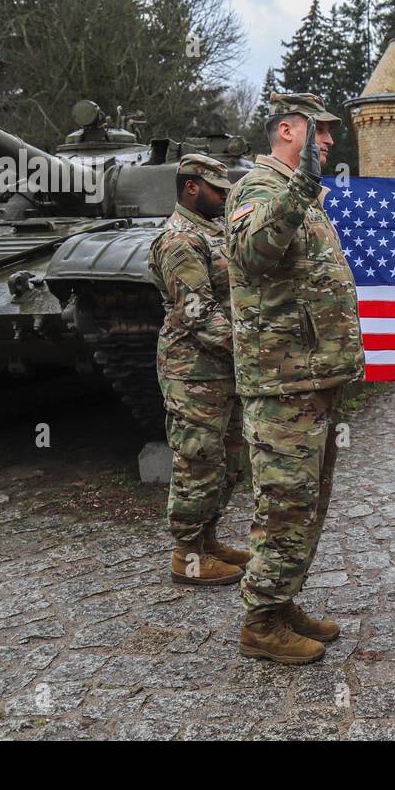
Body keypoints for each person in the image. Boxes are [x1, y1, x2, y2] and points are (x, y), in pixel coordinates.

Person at [223, 93, 365, 665]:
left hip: (309, 381)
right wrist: (300, 188)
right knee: (284, 503)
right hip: (282, 383)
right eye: (320, 132)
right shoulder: (257, 188)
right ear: (287, 130)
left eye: (332, 134)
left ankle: (280, 602)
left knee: (307, 501)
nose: (330, 142)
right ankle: (260, 621)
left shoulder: (299, 194)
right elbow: (255, 251)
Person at [147, 153, 250, 586]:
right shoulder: (180, 240)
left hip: (223, 366)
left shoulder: (216, 233)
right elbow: (197, 312)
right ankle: (186, 555)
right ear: (191, 187)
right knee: (197, 458)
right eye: (217, 190)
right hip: (193, 370)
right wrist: (250, 350)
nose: (224, 197)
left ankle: (208, 539)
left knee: (229, 459)